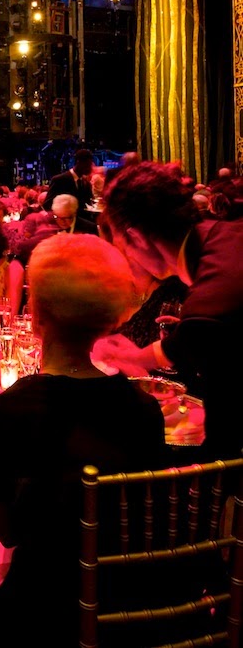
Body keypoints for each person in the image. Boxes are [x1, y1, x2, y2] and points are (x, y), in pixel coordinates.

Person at [0, 234, 166, 648]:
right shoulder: (144, 411)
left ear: (35, 316)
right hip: (128, 599)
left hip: (37, 604)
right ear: (113, 319)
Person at [92, 160, 243, 461]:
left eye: (123, 248)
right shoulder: (228, 232)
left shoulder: (209, 306)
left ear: (135, 237)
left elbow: (224, 450)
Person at [44, 147, 96, 220]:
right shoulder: (60, 180)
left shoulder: (86, 183)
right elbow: (47, 204)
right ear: (79, 162)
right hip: (64, 222)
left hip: (83, 222)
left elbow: (89, 203)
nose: (90, 168)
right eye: (88, 165)